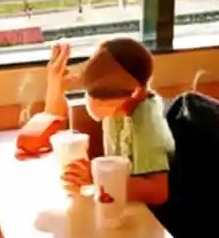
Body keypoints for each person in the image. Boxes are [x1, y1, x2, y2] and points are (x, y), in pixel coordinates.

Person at [44, 39, 173, 205]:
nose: (91, 99)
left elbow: (158, 191)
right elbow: (57, 132)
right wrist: (55, 88)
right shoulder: (115, 111)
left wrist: (98, 177)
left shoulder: (147, 120)